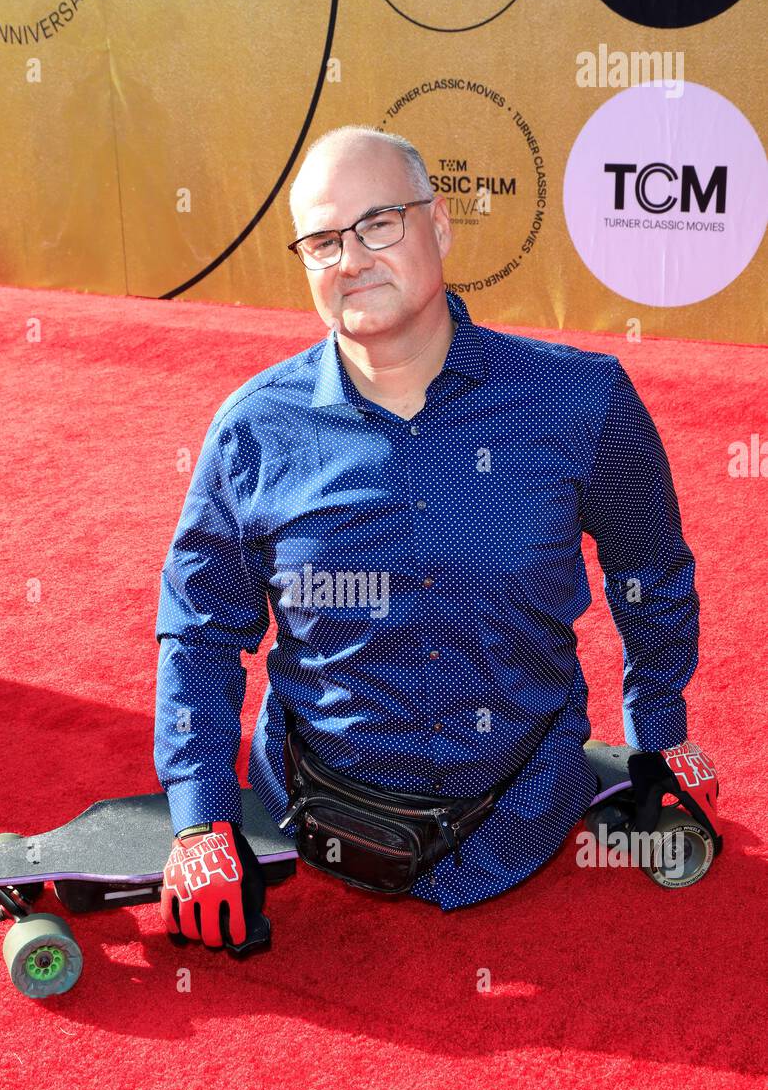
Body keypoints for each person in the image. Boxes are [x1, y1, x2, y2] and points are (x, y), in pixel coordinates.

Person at [154, 124, 709, 952]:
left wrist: (658, 738)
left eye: (379, 224)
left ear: (439, 226)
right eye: (322, 241)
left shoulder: (581, 402)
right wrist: (201, 822)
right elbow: (199, 630)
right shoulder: (254, 432)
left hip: (529, 810)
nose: (351, 259)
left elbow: (649, 574)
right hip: (312, 813)